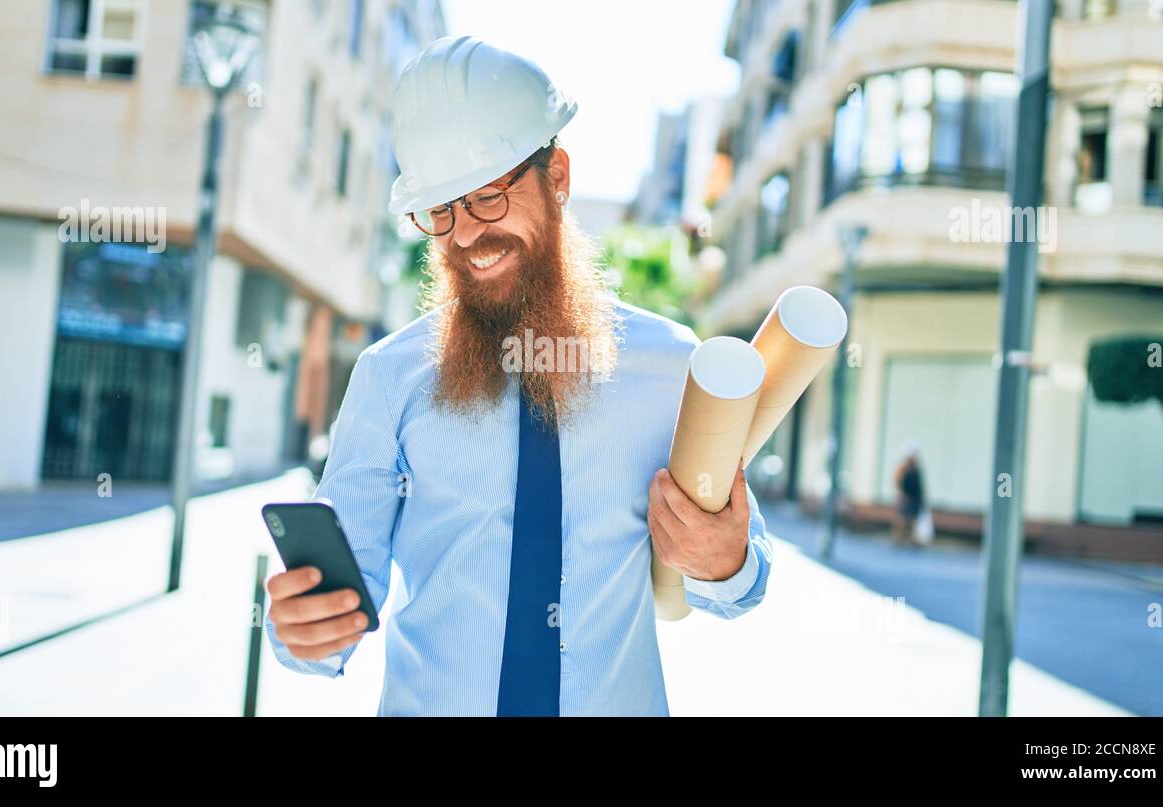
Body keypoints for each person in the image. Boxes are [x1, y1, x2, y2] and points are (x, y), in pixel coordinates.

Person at [262, 35, 773, 717]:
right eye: (440, 210)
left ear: (557, 177)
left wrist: (726, 559)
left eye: (487, 197)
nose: (466, 234)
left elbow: (742, 578)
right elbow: (335, 605)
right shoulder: (390, 378)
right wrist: (301, 629)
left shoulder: (672, 365)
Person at [892, 442, 925, 547]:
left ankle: (911, 538)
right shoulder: (903, 468)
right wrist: (902, 494)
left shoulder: (916, 468)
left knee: (912, 519)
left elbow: (920, 485)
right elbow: (897, 481)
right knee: (902, 518)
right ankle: (899, 539)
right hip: (905, 497)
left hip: (915, 498)